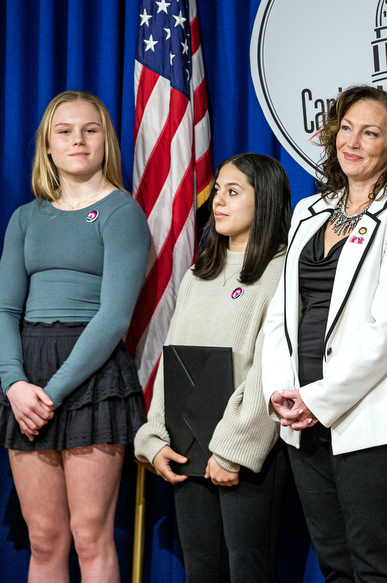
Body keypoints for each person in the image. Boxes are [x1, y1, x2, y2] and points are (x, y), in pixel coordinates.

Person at [261, 85, 387, 582]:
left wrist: (322, 397)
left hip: (374, 412)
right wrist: (281, 390)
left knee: (374, 561)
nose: (353, 141)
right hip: (302, 414)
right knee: (334, 563)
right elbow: (282, 313)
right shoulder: (307, 211)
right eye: (345, 128)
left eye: (370, 132)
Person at [0, 91, 150, 582]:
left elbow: (114, 319)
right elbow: (3, 310)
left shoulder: (123, 214)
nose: (78, 140)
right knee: (44, 539)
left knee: (89, 536)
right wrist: (15, 385)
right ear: (48, 146)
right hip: (25, 379)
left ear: (106, 142)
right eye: (65, 131)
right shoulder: (25, 217)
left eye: (90, 129)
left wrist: (51, 394)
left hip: (90, 378)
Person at [134, 153, 292, 583]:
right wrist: (155, 436)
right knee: (201, 570)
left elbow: (269, 371)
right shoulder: (198, 274)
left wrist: (230, 450)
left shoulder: (281, 272)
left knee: (248, 569)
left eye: (233, 191)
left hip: (244, 451)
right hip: (188, 447)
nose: (218, 201)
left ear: (268, 202)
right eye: (217, 190)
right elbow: (173, 358)